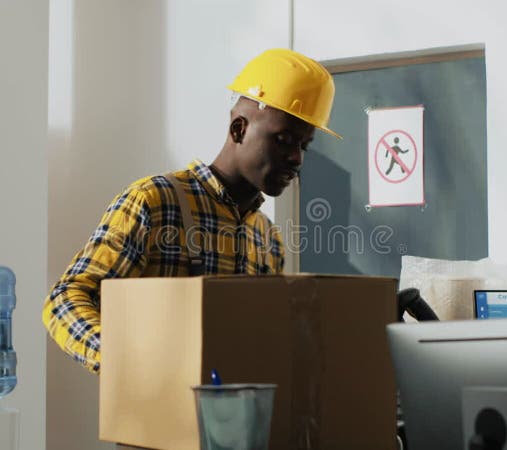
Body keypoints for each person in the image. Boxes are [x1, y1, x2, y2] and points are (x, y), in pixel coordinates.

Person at [42, 48, 341, 373]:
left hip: (236, 420)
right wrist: (125, 365)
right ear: (239, 129)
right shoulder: (154, 202)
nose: (297, 158)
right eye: (284, 139)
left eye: (303, 145)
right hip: (154, 415)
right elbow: (66, 298)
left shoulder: (267, 239)